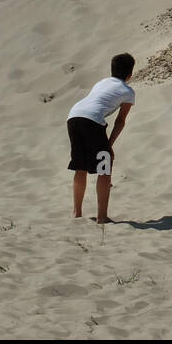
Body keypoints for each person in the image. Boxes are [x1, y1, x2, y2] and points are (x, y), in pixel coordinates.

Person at [66, 53, 135, 223]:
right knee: (104, 168)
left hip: (73, 116)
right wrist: (109, 146)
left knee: (80, 167)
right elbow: (120, 121)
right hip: (92, 121)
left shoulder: (101, 82)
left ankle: (77, 213)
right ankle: (102, 217)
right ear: (130, 74)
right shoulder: (128, 91)